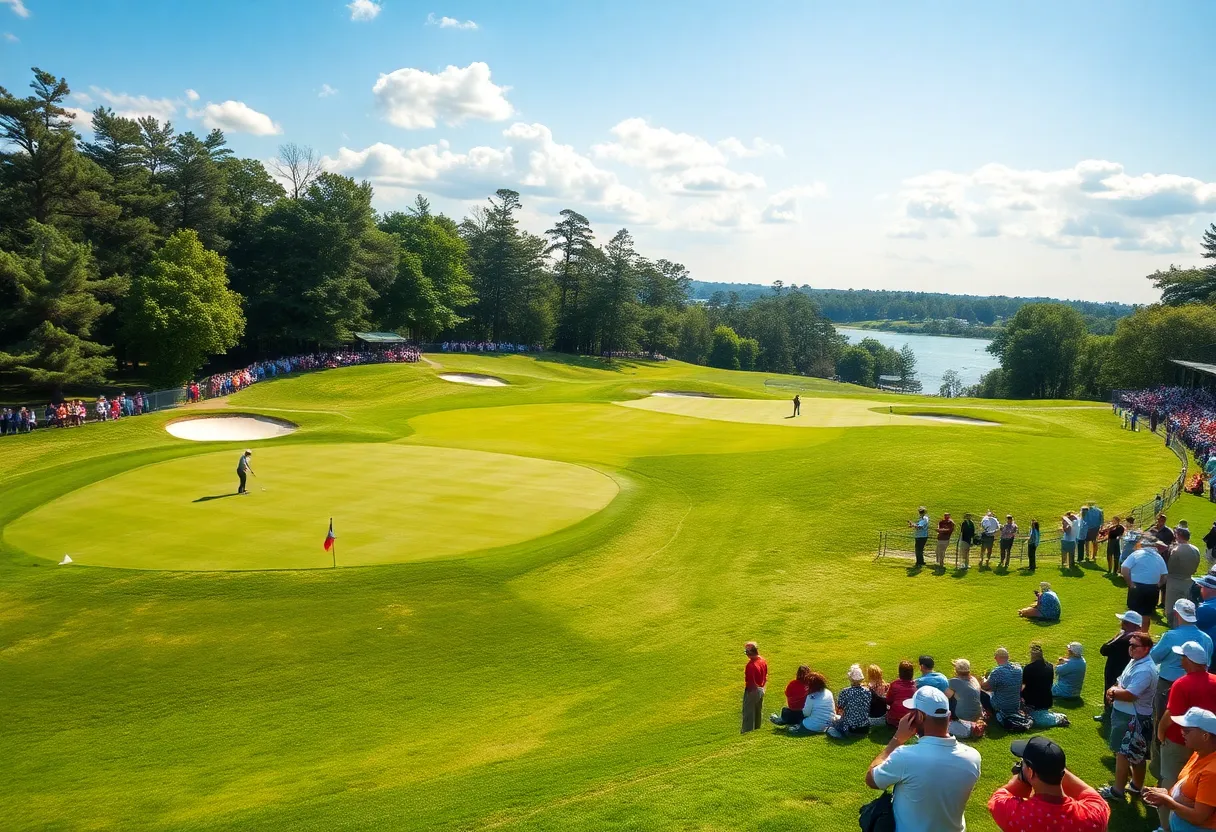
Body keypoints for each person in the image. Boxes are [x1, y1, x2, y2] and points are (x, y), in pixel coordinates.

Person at [866, 686, 982, 832]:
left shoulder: (905, 756)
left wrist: (896, 740)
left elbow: (872, 779)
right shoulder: (973, 756)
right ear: (949, 715)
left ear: (919, 717)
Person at [1152, 644, 1216, 830]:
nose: (1181, 661)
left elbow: (1171, 714)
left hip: (1176, 747)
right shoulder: (1200, 753)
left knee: (1170, 777)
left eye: (1183, 657)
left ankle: (1164, 827)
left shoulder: (1182, 683)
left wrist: (1160, 733)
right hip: (1204, 744)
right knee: (1186, 783)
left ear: (1190, 660)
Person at [987, 736, 1110, 830]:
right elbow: (1087, 793)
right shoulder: (1094, 814)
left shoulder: (1014, 813)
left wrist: (1022, 779)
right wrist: (1055, 766)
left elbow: (1001, 796)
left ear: (1030, 772)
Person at [1099, 630, 1158, 802]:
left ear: (1146, 649)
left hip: (1131, 717)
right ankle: (1135, 786)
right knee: (1136, 755)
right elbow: (1121, 681)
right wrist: (1115, 689)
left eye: (1134, 645)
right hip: (1129, 714)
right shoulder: (1136, 661)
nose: (1130, 648)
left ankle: (1117, 791)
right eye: (1129, 645)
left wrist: (1112, 692)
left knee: (1122, 754)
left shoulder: (1145, 670)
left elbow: (1131, 694)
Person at [1143, 707, 1216, 832]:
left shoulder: (1212, 773)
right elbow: (1190, 791)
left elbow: (1199, 817)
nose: (1181, 732)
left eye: (1187, 730)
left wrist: (1168, 802)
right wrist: (1166, 793)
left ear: (1205, 736)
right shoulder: (1199, 753)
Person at [1095, 611, 1141, 722]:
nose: (1121, 623)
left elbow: (1104, 650)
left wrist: (1116, 637)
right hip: (1126, 670)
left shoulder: (1124, 640)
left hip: (1115, 670)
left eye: (1124, 622)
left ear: (1130, 624)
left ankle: (1108, 715)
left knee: (1111, 691)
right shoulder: (1138, 638)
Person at [1122, 536, 1169, 630]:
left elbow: (1124, 568)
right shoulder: (1158, 557)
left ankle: (1130, 634)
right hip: (1152, 588)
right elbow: (1164, 575)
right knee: (1147, 614)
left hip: (1137, 587)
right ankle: (1143, 635)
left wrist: (1130, 583)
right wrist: (1158, 585)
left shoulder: (1136, 554)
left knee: (1133, 614)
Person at [1021, 643, 1070, 728]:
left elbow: (1023, 685)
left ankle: (1058, 719)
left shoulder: (1028, 668)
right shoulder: (1049, 666)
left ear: (1032, 655)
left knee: (1033, 719)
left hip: (1033, 700)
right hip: (1046, 698)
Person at [828, 664, 872, 738]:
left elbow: (839, 707)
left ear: (851, 678)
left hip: (850, 729)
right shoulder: (867, 691)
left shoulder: (845, 692)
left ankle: (840, 735)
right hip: (865, 729)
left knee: (832, 722)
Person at [982, 647, 1023, 725]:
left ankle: (988, 713)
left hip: (1001, 706)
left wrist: (982, 680)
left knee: (981, 692)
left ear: (997, 657)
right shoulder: (1019, 669)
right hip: (1015, 704)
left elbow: (985, 687)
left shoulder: (997, 672)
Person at [1170, 527, 1204, 622]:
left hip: (1176, 579)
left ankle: (1176, 622)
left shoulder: (1176, 550)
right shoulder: (1195, 549)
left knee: (1175, 604)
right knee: (1188, 601)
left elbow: (1171, 566)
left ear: (1179, 536)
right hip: (1189, 579)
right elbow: (1197, 562)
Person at [948, 658, 986, 739]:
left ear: (957, 670)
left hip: (963, 716)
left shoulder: (954, 682)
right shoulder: (974, 679)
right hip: (977, 714)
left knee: (949, 696)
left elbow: (946, 694)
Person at [741, 641, 768, 733]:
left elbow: (751, 682)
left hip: (753, 691)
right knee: (757, 712)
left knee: (748, 714)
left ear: (750, 653)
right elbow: (766, 676)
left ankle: (747, 733)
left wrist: (751, 694)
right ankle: (757, 730)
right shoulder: (762, 661)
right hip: (762, 688)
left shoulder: (751, 666)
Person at [886, 660, 917, 727]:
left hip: (893, 720)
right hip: (910, 721)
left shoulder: (894, 684)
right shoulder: (916, 687)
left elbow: (888, 701)